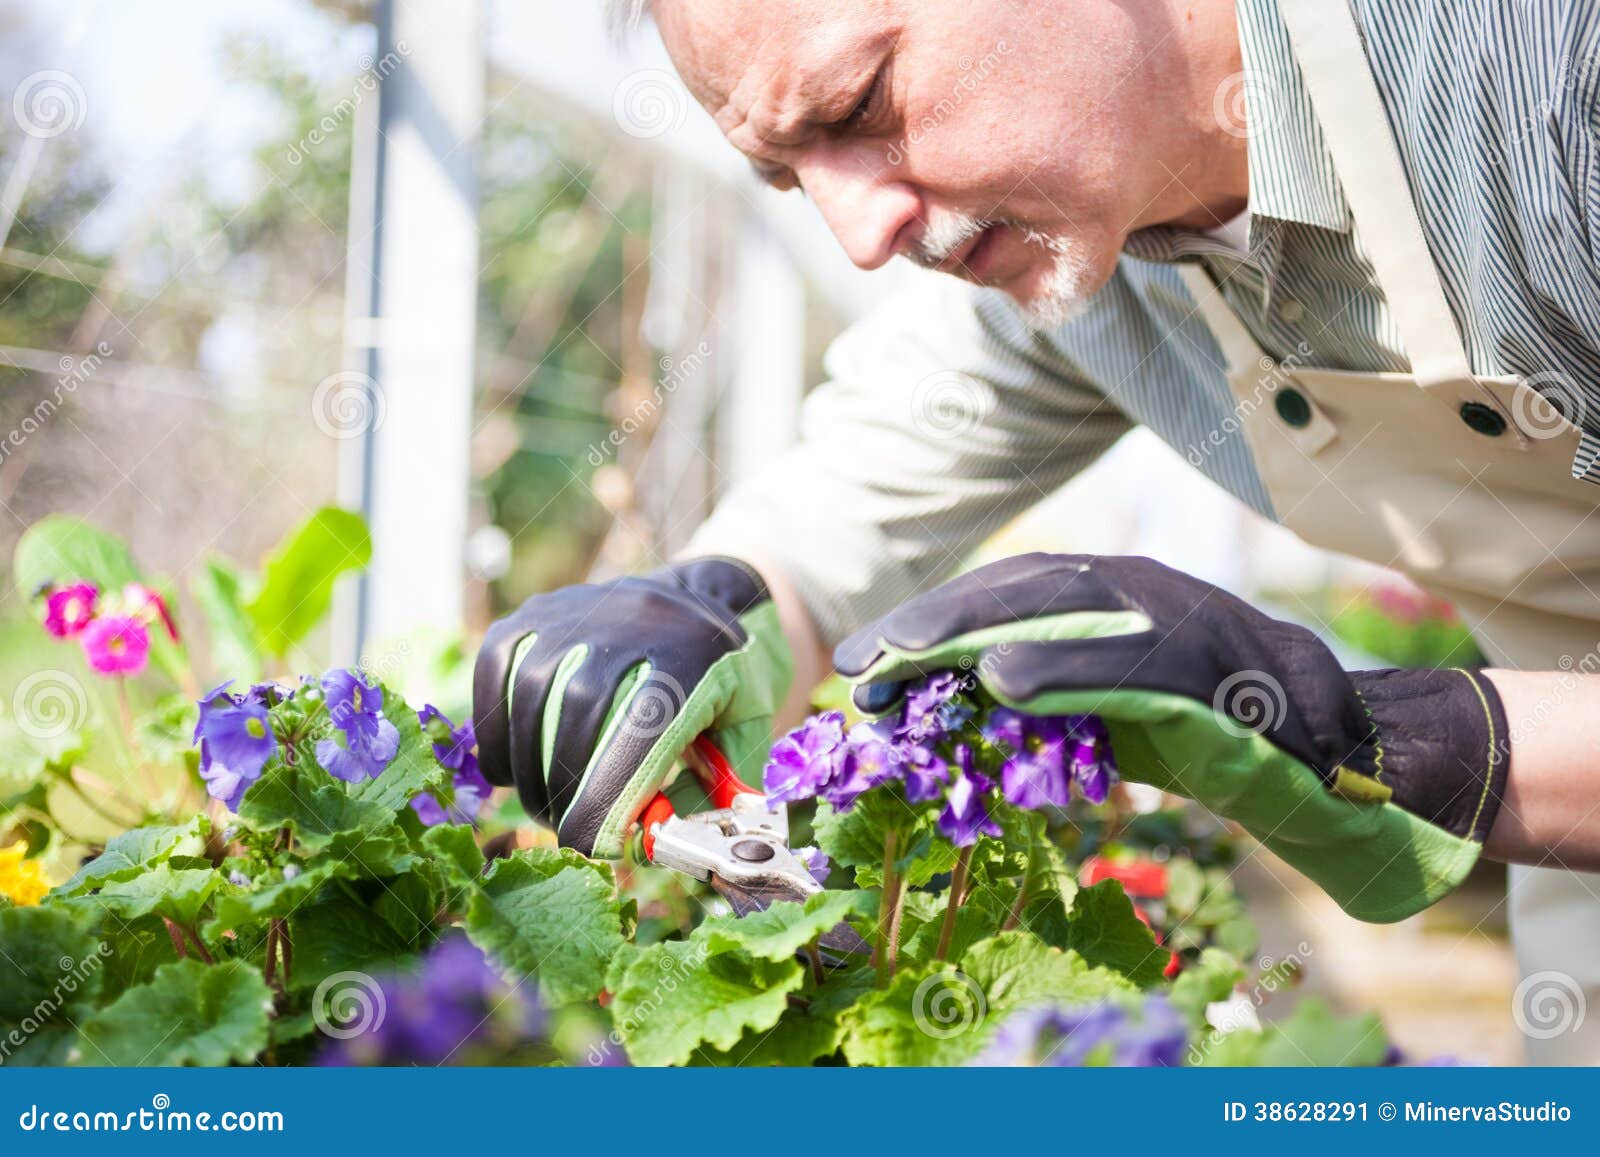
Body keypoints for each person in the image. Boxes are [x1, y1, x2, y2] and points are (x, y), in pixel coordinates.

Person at [475, 0, 1600, 1061]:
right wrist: (704, 600)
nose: (857, 235)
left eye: (862, 103)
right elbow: (839, 510)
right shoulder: (1094, 239)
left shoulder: (1550, 83)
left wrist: (1399, 744)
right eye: (783, 174)